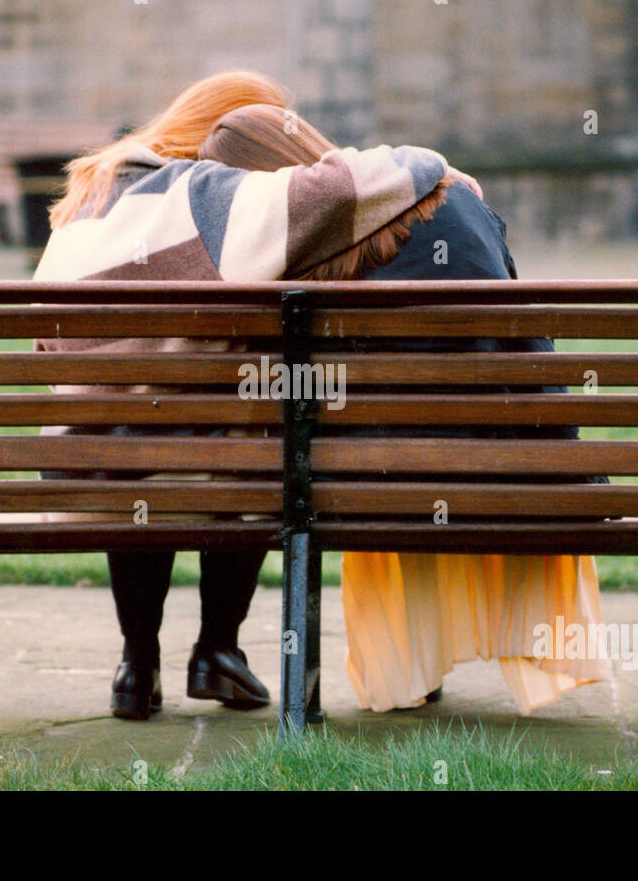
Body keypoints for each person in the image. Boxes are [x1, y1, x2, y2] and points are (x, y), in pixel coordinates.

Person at [34, 71, 458, 720]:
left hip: (76, 476)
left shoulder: (81, 204)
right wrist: (429, 165)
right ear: (228, 135)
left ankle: (136, 665)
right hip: (175, 471)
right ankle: (217, 647)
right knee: (253, 433)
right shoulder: (207, 196)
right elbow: (347, 187)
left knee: (142, 426)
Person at [197, 104, 611, 713]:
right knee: (446, 441)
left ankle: (406, 666)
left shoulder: (282, 260)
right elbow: (529, 351)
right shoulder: (455, 199)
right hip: (524, 473)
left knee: (373, 456)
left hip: (369, 491)